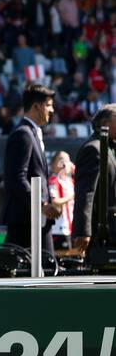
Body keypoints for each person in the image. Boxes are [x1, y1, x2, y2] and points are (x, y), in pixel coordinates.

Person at [2, 83, 60, 260]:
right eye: (49, 105)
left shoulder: (33, 133)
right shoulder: (23, 134)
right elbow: (17, 177)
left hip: (36, 220)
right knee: (13, 273)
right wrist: (42, 205)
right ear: (36, 106)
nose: (52, 110)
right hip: (26, 220)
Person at [71, 104, 116, 256]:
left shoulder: (111, 148)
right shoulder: (93, 149)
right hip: (101, 233)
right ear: (105, 124)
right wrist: (83, 231)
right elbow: (86, 193)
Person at [47, 150, 75, 254]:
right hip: (59, 230)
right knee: (60, 258)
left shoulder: (70, 181)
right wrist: (70, 197)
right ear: (53, 164)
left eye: (67, 161)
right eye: (61, 160)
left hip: (71, 229)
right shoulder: (54, 180)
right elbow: (54, 201)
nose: (64, 164)